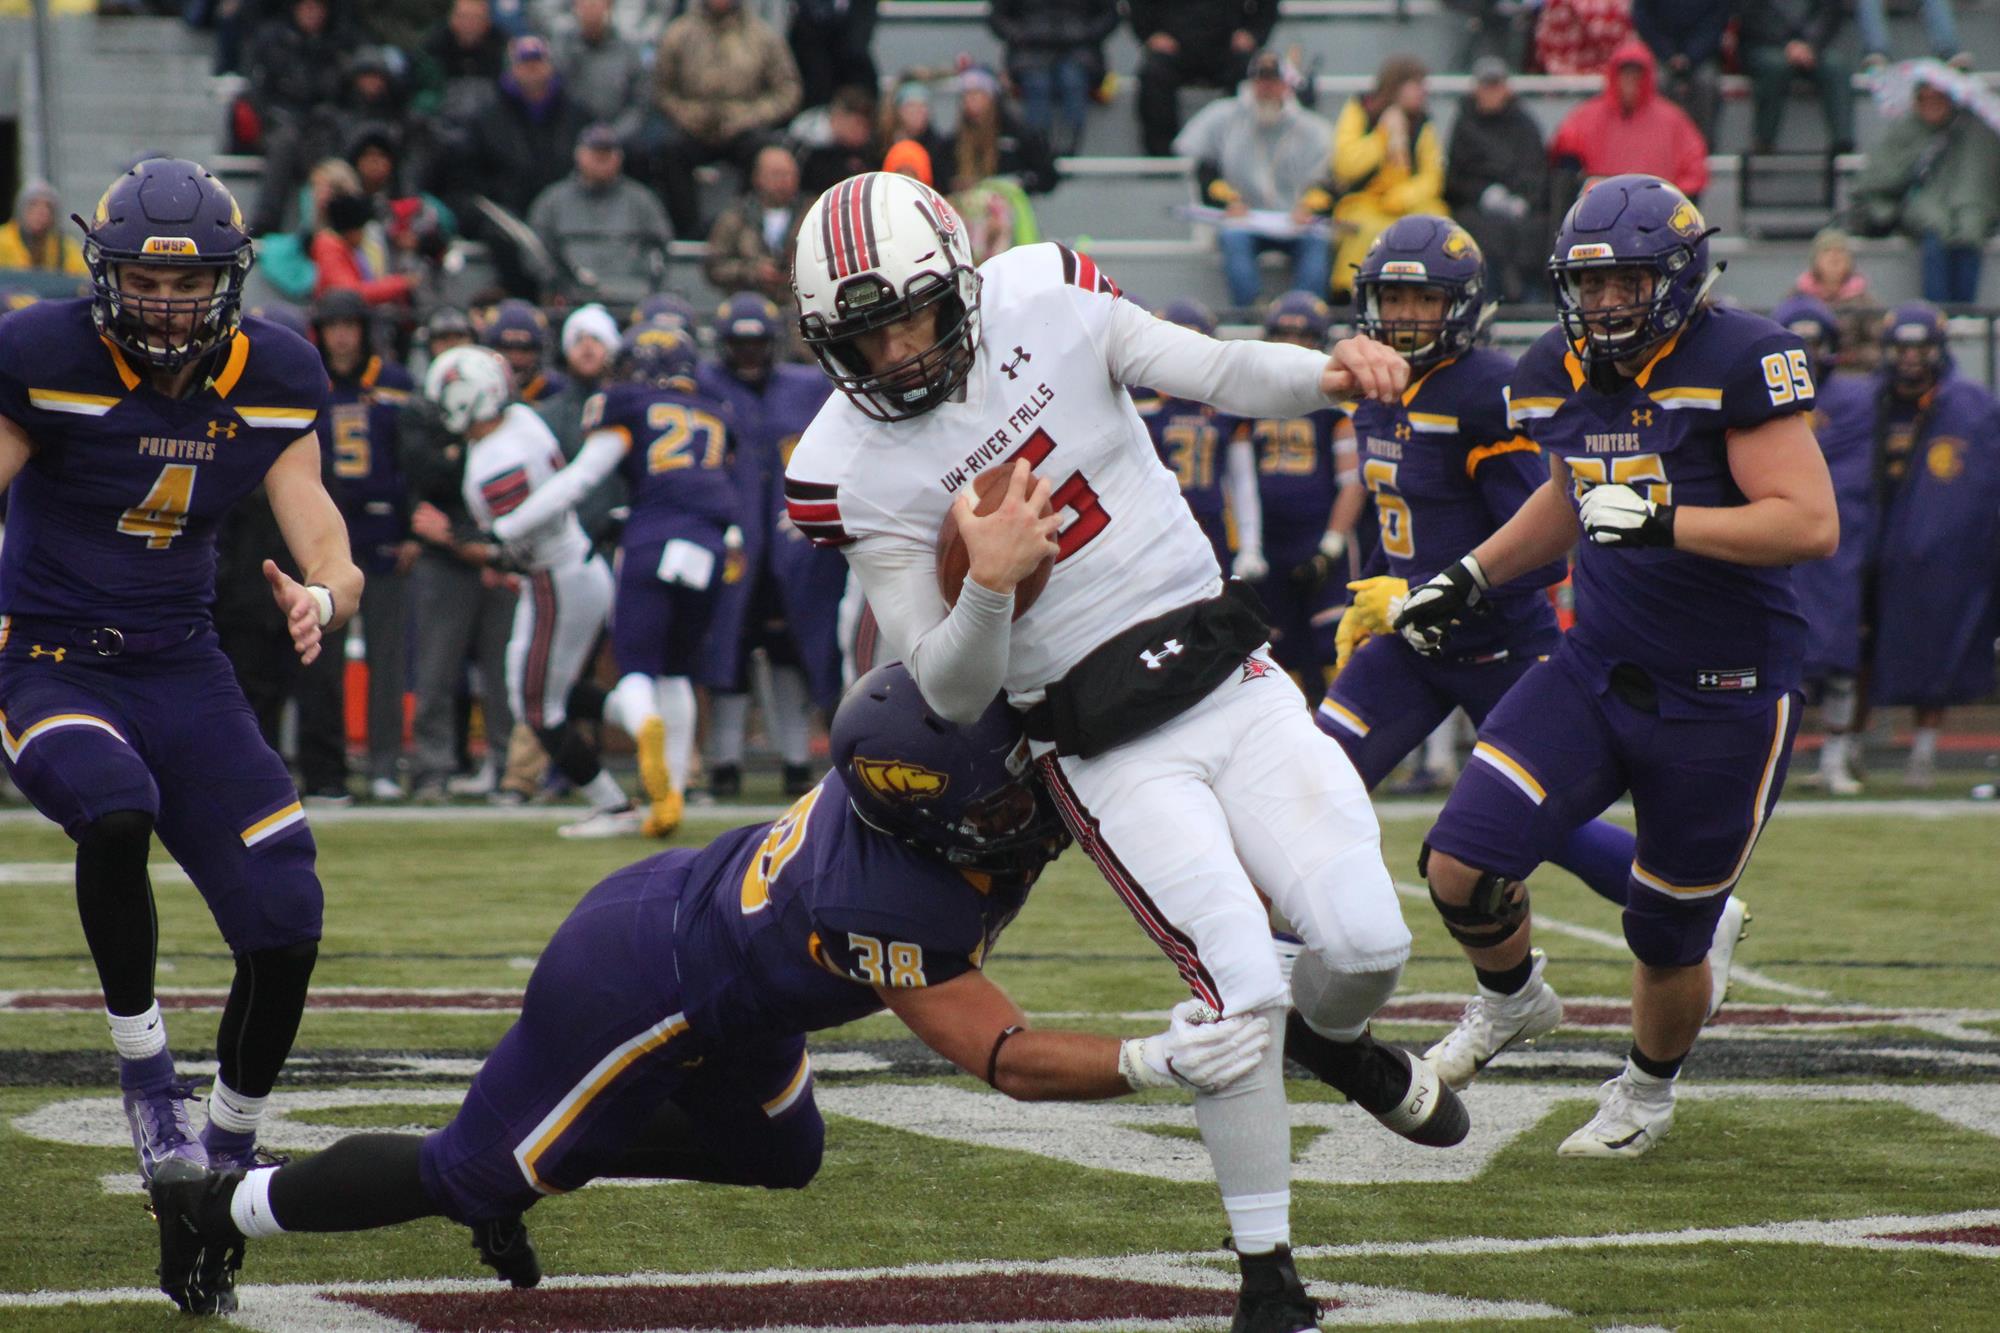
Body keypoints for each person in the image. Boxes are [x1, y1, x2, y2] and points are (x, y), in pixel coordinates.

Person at [783, 172, 1462, 1331]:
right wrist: (989, 588)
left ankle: (1333, 1040)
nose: (897, 351)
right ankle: (1267, 1276)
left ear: (959, 281)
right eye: (866, 332)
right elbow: (942, 683)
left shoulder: (1042, 289)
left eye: (913, 315)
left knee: (1366, 941)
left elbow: (1210, 369)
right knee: (1237, 983)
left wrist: (1324, 372)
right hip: (1097, 740)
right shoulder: (839, 463)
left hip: (1227, 672)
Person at [147, 665, 1276, 1314]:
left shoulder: (921, 781)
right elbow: (1007, 1059)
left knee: (781, 1155)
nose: (1024, 807)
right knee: (469, 1171)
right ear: (932, 816)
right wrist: (1148, 1061)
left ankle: (555, 1147)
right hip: (640, 984)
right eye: (995, 799)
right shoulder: (892, 904)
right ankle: (224, 1202)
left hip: (731, 969)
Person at [1394, 175, 1838, 1157]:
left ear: (1676, 277)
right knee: (1458, 864)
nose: (1602, 306)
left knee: (1662, 936)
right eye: (1587, 286)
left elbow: (1807, 522)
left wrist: (1669, 519)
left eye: (1625, 282)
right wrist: (1469, 573)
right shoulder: (1551, 366)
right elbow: (1568, 490)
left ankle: (1643, 1091)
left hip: (1722, 690)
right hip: (1591, 665)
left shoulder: (1743, 354)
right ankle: (1511, 1001)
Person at [0, 159, 361, 1183]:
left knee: (287, 919)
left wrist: (324, 596)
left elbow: (324, 535)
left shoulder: (277, 375)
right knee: (115, 809)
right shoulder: (39, 353)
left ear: (227, 281)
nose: (164, 305)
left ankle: (230, 1145)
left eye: (186, 282)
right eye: (145, 282)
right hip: (52, 657)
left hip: (184, 664)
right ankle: (146, 1073)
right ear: (105, 275)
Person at [1325, 216, 1746, 1084]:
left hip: (1496, 639)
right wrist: (1381, 590)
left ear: (1464, 305)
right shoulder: (1379, 385)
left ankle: (1702, 909)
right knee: (1309, 777)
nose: (1403, 314)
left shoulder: (1486, 392)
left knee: (1527, 825)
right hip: (1415, 637)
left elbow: (1546, 539)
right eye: (1390, 295)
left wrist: (1421, 591)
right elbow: (1403, 513)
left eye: (1422, 297)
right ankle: (1286, 981)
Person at [484, 322, 741, 836]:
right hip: (712, 546)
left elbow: (580, 479)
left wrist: (507, 526)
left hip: (653, 539)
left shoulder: (627, 404)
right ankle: (674, 798)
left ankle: (644, 732)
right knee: (677, 670)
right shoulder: (715, 411)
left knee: (638, 667)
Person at [420, 344, 641, 836]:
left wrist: (455, 538)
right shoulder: (519, 419)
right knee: (542, 696)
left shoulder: (493, 463)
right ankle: (637, 714)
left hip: (555, 580)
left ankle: (613, 806)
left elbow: (513, 541)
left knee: (540, 708)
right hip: (569, 569)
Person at [697, 293, 838, 797]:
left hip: (790, 542)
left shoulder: (806, 388)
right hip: (730, 542)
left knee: (790, 650)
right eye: (740, 345)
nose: (750, 355)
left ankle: (797, 762)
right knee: (727, 652)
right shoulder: (704, 386)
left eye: (757, 344)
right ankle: (726, 763)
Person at [1859, 303, 2000, 788]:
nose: (1910, 359)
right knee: (1852, 648)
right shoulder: (1869, 401)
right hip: (1868, 545)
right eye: (1901, 348)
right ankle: (1846, 751)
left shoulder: (1973, 407)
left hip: (1937, 554)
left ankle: (1923, 755)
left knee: (1938, 647)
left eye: (1919, 349)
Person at [398, 306, 519, 804]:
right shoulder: (419, 411)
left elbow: (512, 485)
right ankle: (432, 767)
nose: (449, 351)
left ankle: (512, 768)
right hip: (449, 557)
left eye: (457, 338)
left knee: (505, 672)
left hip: (496, 551)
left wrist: (489, 547)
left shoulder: (510, 420)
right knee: (435, 670)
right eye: (440, 339)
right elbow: (429, 478)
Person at [312, 288, 419, 802]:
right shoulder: (310, 384)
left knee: (388, 658)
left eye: (350, 324)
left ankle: (383, 763)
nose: (341, 335)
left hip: (382, 537)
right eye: (333, 325)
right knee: (323, 657)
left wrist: (409, 529)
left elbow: (412, 460)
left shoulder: (394, 385)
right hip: (327, 539)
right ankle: (326, 765)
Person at [1774, 296, 1877, 797]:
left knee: (1837, 654)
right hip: (1773, 543)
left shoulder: (1853, 399)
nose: (1808, 354)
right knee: (1772, 657)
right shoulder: (1758, 396)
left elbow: (1845, 479)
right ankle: (1771, 761)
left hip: (1831, 540)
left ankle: (1836, 757)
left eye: (1815, 343)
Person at [1236, 291, 1362, 691]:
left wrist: (1330, 546)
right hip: (1267, 546)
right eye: (1282, 334)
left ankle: (1343, 744)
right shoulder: (1247, 398)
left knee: (1333, 649)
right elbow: (1234, 479)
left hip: (1315, 539)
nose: (1291, 344)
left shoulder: (1335, 405)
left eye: (1303, 334)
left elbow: (1353, 481)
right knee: (1272, 655)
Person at [1174, 50, 1335, 310]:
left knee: (1316, 240)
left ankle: (1306, 308)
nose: (1267, 89)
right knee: (1233, 236)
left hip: (1295, 219)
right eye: (1261, 81)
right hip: (1246, 217)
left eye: (1273, 81)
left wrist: (1309, 207)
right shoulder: (1224, 118)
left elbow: (1327, 182)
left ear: (1286, 85)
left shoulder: (1311, 129)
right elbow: (1206, 171)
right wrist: (1230, 203)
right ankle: (1253, 310)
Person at [1847, 63, 2000, 306]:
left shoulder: (1974, 132)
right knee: (1936, 230)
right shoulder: (1904, 131)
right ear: (1916, 100)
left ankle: (1966, 311)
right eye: (1924, 98)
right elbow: (1880, 179)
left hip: (1962, 206)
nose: (1931, 103)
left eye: (1938, 97)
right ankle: (1939, 309)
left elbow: (1980, 181)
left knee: (1970, 230)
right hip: (1920, 203)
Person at [1133, 298, 1264, 580]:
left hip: (1212, 526)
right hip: (1158, 529)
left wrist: (1250, 546)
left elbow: (1242, 481)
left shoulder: (1226, 409)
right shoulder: (1141, 406)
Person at [647, 0, 803, 237]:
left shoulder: (762, 36)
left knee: (763, 153)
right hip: (694, 127)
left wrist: (750, 115)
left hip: (744, 127)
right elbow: (660, 90)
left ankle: (743, 229)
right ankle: (688, 232)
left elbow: (788, 91)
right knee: (668, 151)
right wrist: (686, 113)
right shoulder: (678, 33)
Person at [1329, 56, 1447, 300]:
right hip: (1362, 201)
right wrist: (1383, 136)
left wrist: (1404, 195)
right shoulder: (1361, 110)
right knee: (1367, 231)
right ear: (1396, 86)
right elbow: (1346, 165)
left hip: (1404, 202)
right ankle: (1355, 297)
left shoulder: (1422, 122)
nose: (1422, 92)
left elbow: (1432, 177)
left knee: (1439, 225)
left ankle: (1434, 291)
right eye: (1416, 85)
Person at [527, 123, 672, 308]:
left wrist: (642, 281)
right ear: (579, 155)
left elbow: (660, 246)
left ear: (619, 158)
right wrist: (558, 281)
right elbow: (536, 251)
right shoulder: (552, 200)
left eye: (608, 154)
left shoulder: (642, 200)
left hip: (631, 295)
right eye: (596, 154)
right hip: (570, 296)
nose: (602, 160)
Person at [1547, 39, 1709, 205]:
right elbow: (1565, 161)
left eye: (1637, 74)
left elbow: (1694, 166)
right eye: (1625, 73)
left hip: (1654, 214)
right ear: (1614, 75)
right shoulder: (1586, 117)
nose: (1631, 81)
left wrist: (1671, 203)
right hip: (1599, 211)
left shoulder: (1673, 120)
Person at [1442, 57, 1548, 305]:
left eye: (1496, 85)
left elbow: (1536, 171)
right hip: (1475, 207)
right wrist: (1484, 194)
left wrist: (1521, 199)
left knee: (1537, 231)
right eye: (1486, 85)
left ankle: (1531, 307)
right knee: (1480, 235)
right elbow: (1455, 179)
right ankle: (1484, 303)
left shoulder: (1524, 124)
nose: (1491, 92)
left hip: (1522, 205)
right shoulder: (1464, 124)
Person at [1130, 0, 1277, 158]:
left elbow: (1268, 6)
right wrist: (1149, 34)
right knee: (1152, 74)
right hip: (1173, 48)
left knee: (1251, 73)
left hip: (1228, 46)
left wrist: (1253, 33)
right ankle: (1164, 163)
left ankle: (1243, 157)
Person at [988, 0, 1120, 157]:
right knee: (1037, 83)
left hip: (1080, 49)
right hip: (1029, 50)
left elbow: (1109, 15)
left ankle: (1068, 148)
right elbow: (998, 17)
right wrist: (1020, 34)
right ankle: (1038, 148)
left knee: (1073, 81)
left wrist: (1086, 33)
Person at [1739, 1, 1857, 156]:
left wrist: (1810, 45)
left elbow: (1830, 12)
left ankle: (1843, 143)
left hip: (1812, 47)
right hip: (1764, 43)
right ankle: (1764, 142)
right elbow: (1749, 15)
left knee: (1837, 66)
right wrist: (1787, 44)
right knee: (1775, 66)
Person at [704, 144, 808, 308]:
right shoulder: (735, 217)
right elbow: (714, 267)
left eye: (790, 174)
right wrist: (752, 272)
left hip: (800, 308)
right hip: (747, 305)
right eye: (776, 174)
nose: (784, 181)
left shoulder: (811, 215)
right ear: (757, 177)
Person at [939, 66, 1058, 198]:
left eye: (977, 93)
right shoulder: (952, 143)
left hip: (1011, 212)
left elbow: (1047, 176)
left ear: (991, 97)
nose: (970, 100)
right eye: (966, 95)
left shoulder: (1019, 135)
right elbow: (942, 181)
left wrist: (1017, 183)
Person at [1628, 0, 1728, 148]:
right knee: (1656, 83)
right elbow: (1643, 18)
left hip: (1701, 56)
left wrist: (1690, 56)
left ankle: (1702, 148)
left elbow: (1716, 22)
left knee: (1707, 84)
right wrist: (1668, 54)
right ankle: (1657, 146)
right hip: (1659, 54)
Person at [789, 0, 879, 113]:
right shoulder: (805, 11)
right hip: (812, 87)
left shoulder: (862, 7)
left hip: (852, 78)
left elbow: (857, 45)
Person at [799, 86, 883, 198]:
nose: (862, 132)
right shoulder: (810, 144)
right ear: (838, 117)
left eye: (865, 126)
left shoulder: (869, 153)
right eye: (856, 124)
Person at [479, 299, 568, 405]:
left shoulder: (555, 389)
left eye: (525, 348)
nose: (516, 355)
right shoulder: (478, 386)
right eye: (506, 348)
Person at [0, 180, 88, 276]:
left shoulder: (64, 247)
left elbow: (83, 278)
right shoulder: (3, 240)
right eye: (33, 205)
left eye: (48, 207)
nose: (42, 211)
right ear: (21, 209)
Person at [1531, 0, 1633, 77]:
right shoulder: (1558, 4)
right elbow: (1545, 46)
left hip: (1613, 78)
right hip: (1564, 79)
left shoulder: (1616, 6)